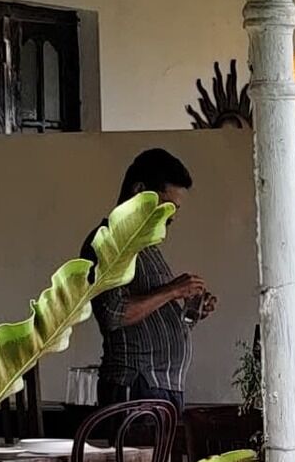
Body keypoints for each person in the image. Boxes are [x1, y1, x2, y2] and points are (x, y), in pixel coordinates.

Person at [87, 149, 214, 405]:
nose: (172, 216)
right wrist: (172, 290)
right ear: (140, 191)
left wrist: (189, 312)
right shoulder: (110, 240)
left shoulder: (145, 245)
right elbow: (113, 314)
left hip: (158, 386)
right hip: (136, 385)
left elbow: (148, 320)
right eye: (167, 206)